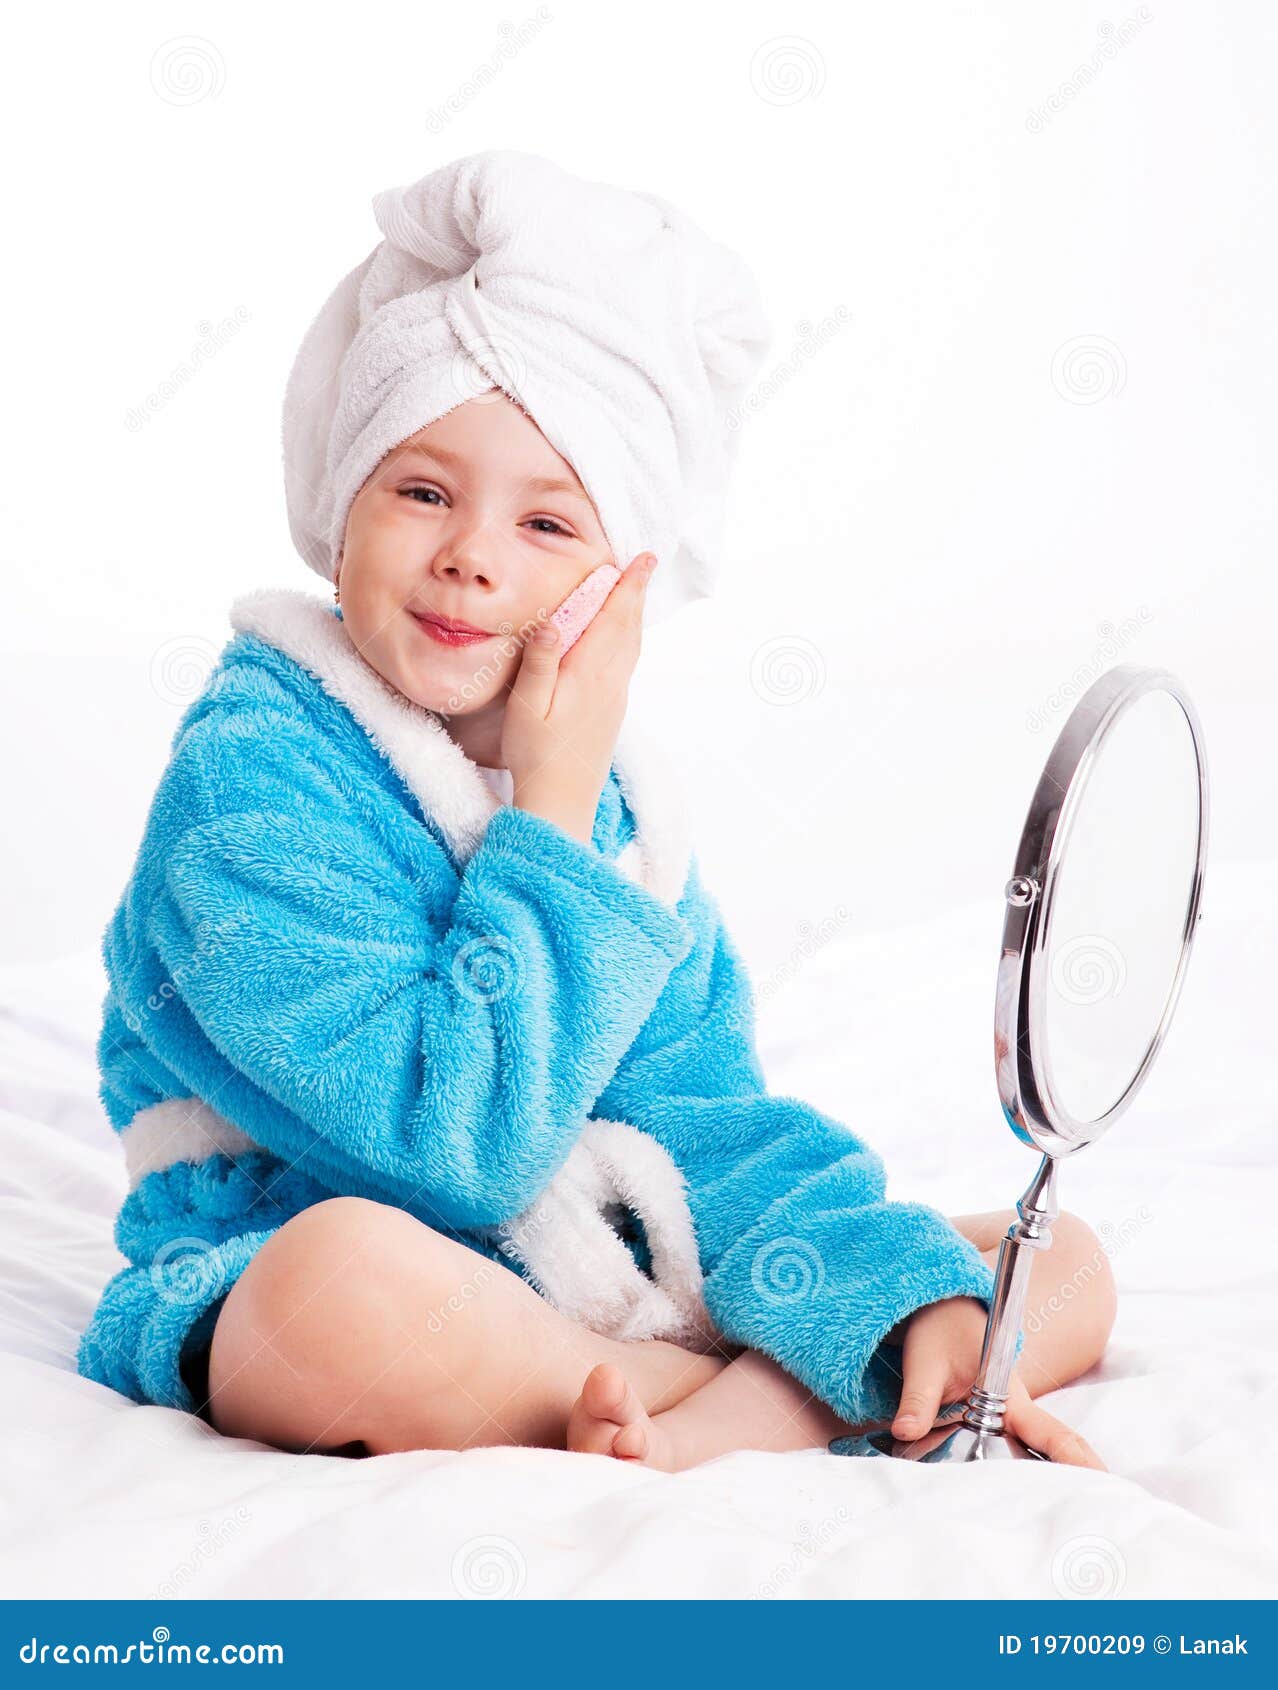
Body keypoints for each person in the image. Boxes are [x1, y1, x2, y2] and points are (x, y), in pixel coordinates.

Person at [77, 152, 1114, 1472]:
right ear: (340, 499)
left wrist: (879, 1283)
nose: (473, 555)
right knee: (329, 1294)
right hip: (325, 1250)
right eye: (423, 491)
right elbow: (445, 1154)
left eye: (548, 523)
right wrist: (548, 816)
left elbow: (698, 1119)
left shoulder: (629, 819)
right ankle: (751, 1399)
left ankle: (767, 1381)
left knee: (1051, 1259)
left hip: (576, 1270)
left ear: (620, 590)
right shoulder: (250, 782)